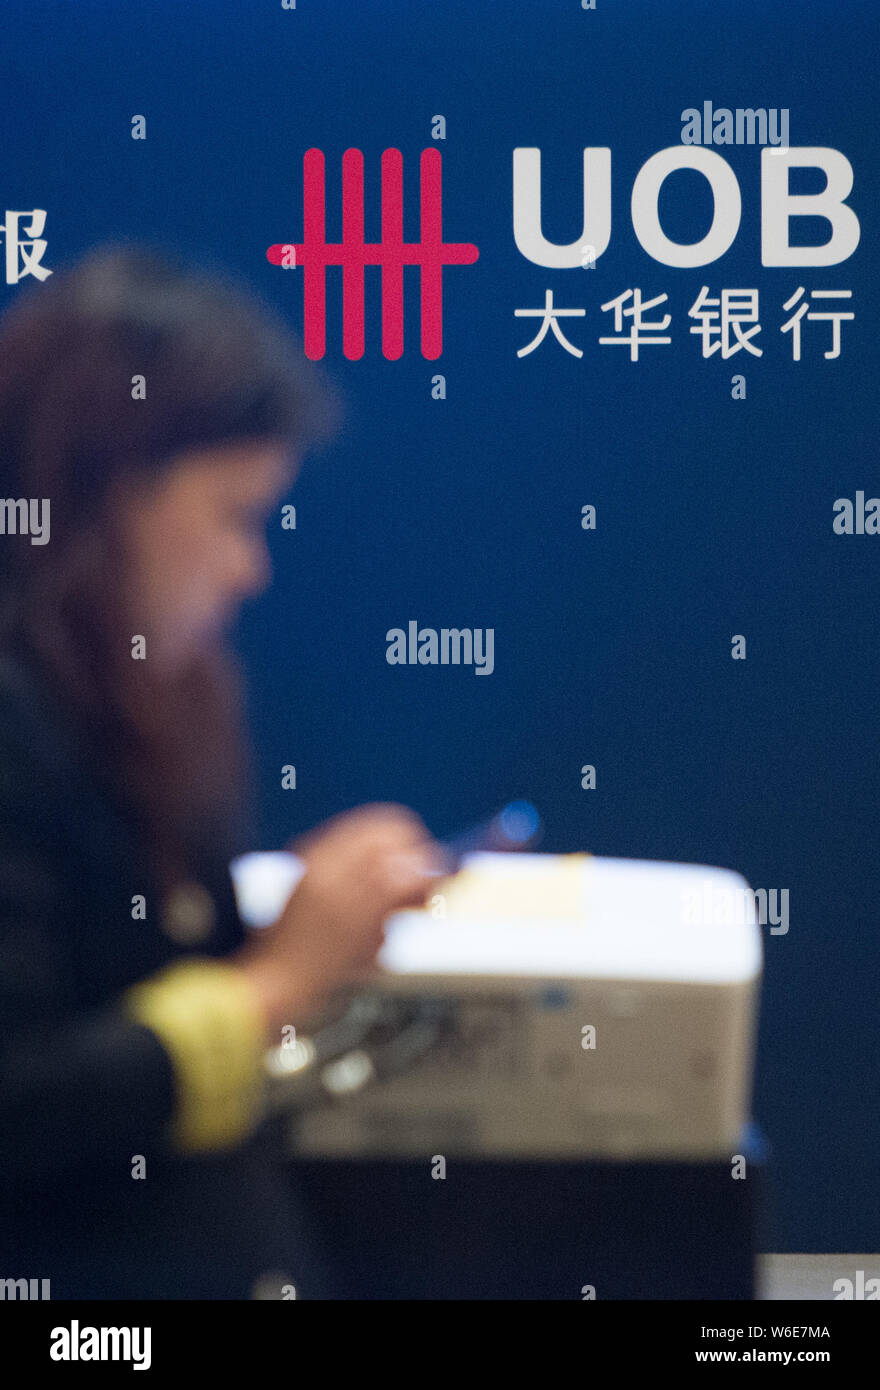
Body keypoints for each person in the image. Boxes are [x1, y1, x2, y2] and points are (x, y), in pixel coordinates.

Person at [0, 242, 443, 1299]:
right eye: (235, 516)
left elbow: (129, 975)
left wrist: (320, 925)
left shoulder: (129, 701)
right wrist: (276, 981)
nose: (252, 567)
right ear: (108, 492)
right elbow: (22, 1094)